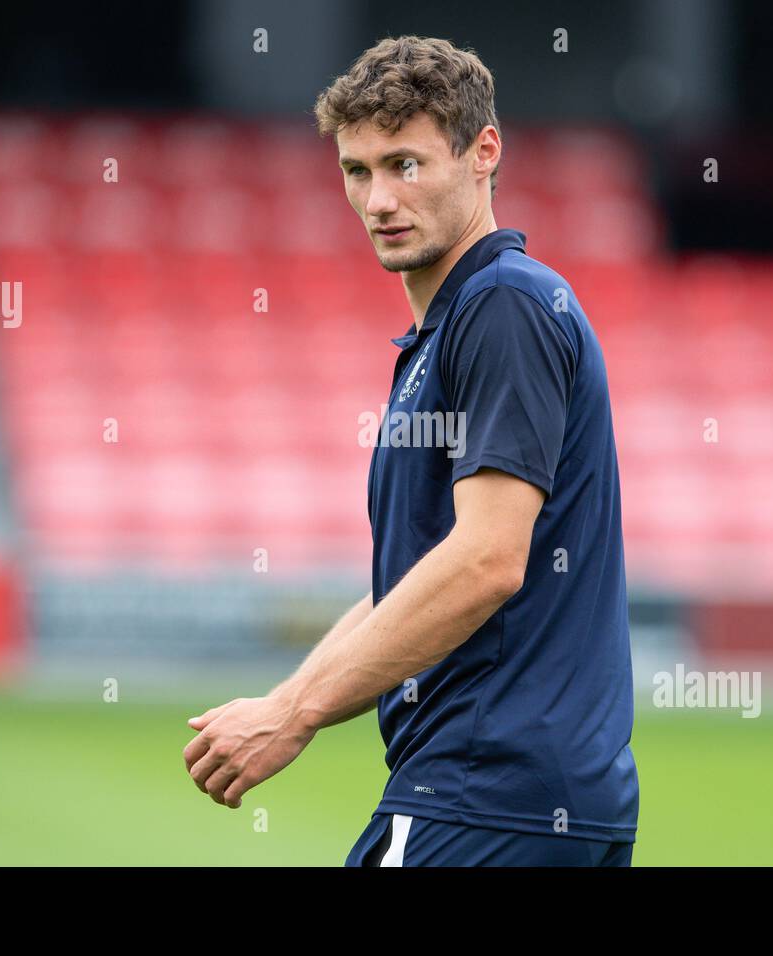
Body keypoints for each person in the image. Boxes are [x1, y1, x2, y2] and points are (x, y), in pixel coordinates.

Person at [183, 34, 639, 867]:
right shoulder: (459, 322)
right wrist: (291, 695)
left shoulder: (503, 304)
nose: (378, 199)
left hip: (483, 794)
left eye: (406, 164)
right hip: (530, 802)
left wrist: (295, 714)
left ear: (483, 152)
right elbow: (419, 577)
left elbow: (485, 561)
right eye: (357, 171)